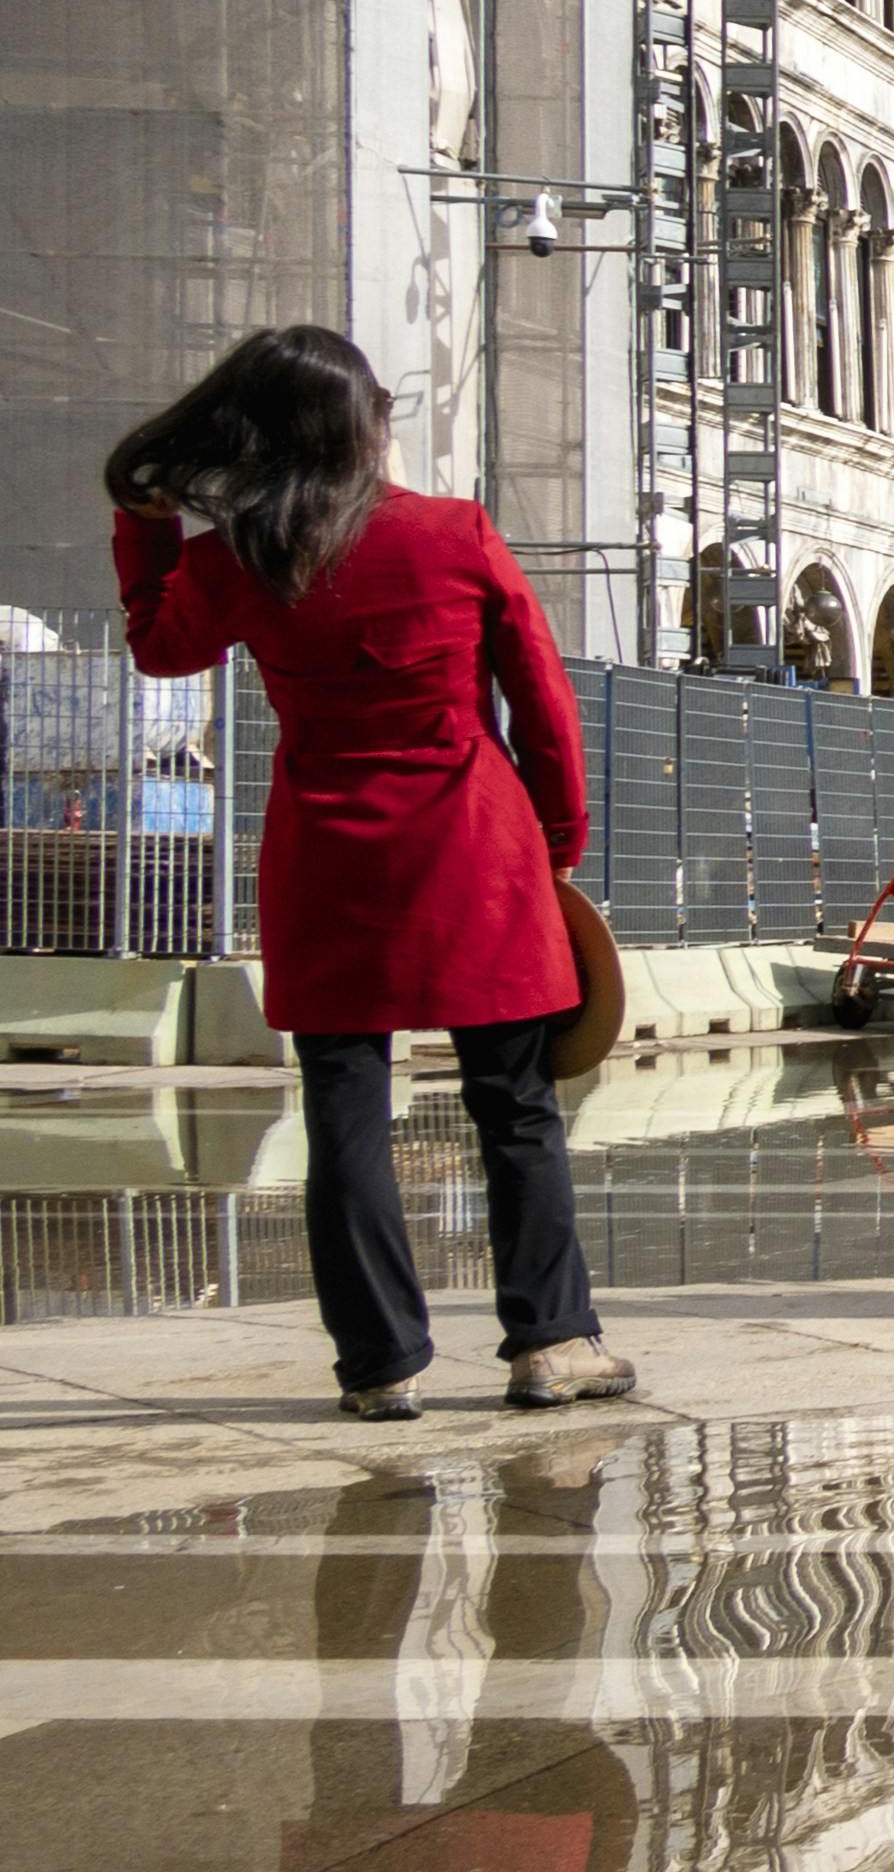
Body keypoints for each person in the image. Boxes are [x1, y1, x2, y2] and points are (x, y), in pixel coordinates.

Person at [108, 328, 626, 1421]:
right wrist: (560, 834)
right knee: (515, 1106)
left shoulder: (241, 558)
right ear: (363, 425)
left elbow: (157, 645)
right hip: (474, 849)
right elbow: (540, 695)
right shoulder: (453, 535)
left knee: (344, 1111)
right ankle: (551, 1342)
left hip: (327, 859)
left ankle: (381, 1362)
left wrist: (144, 526)